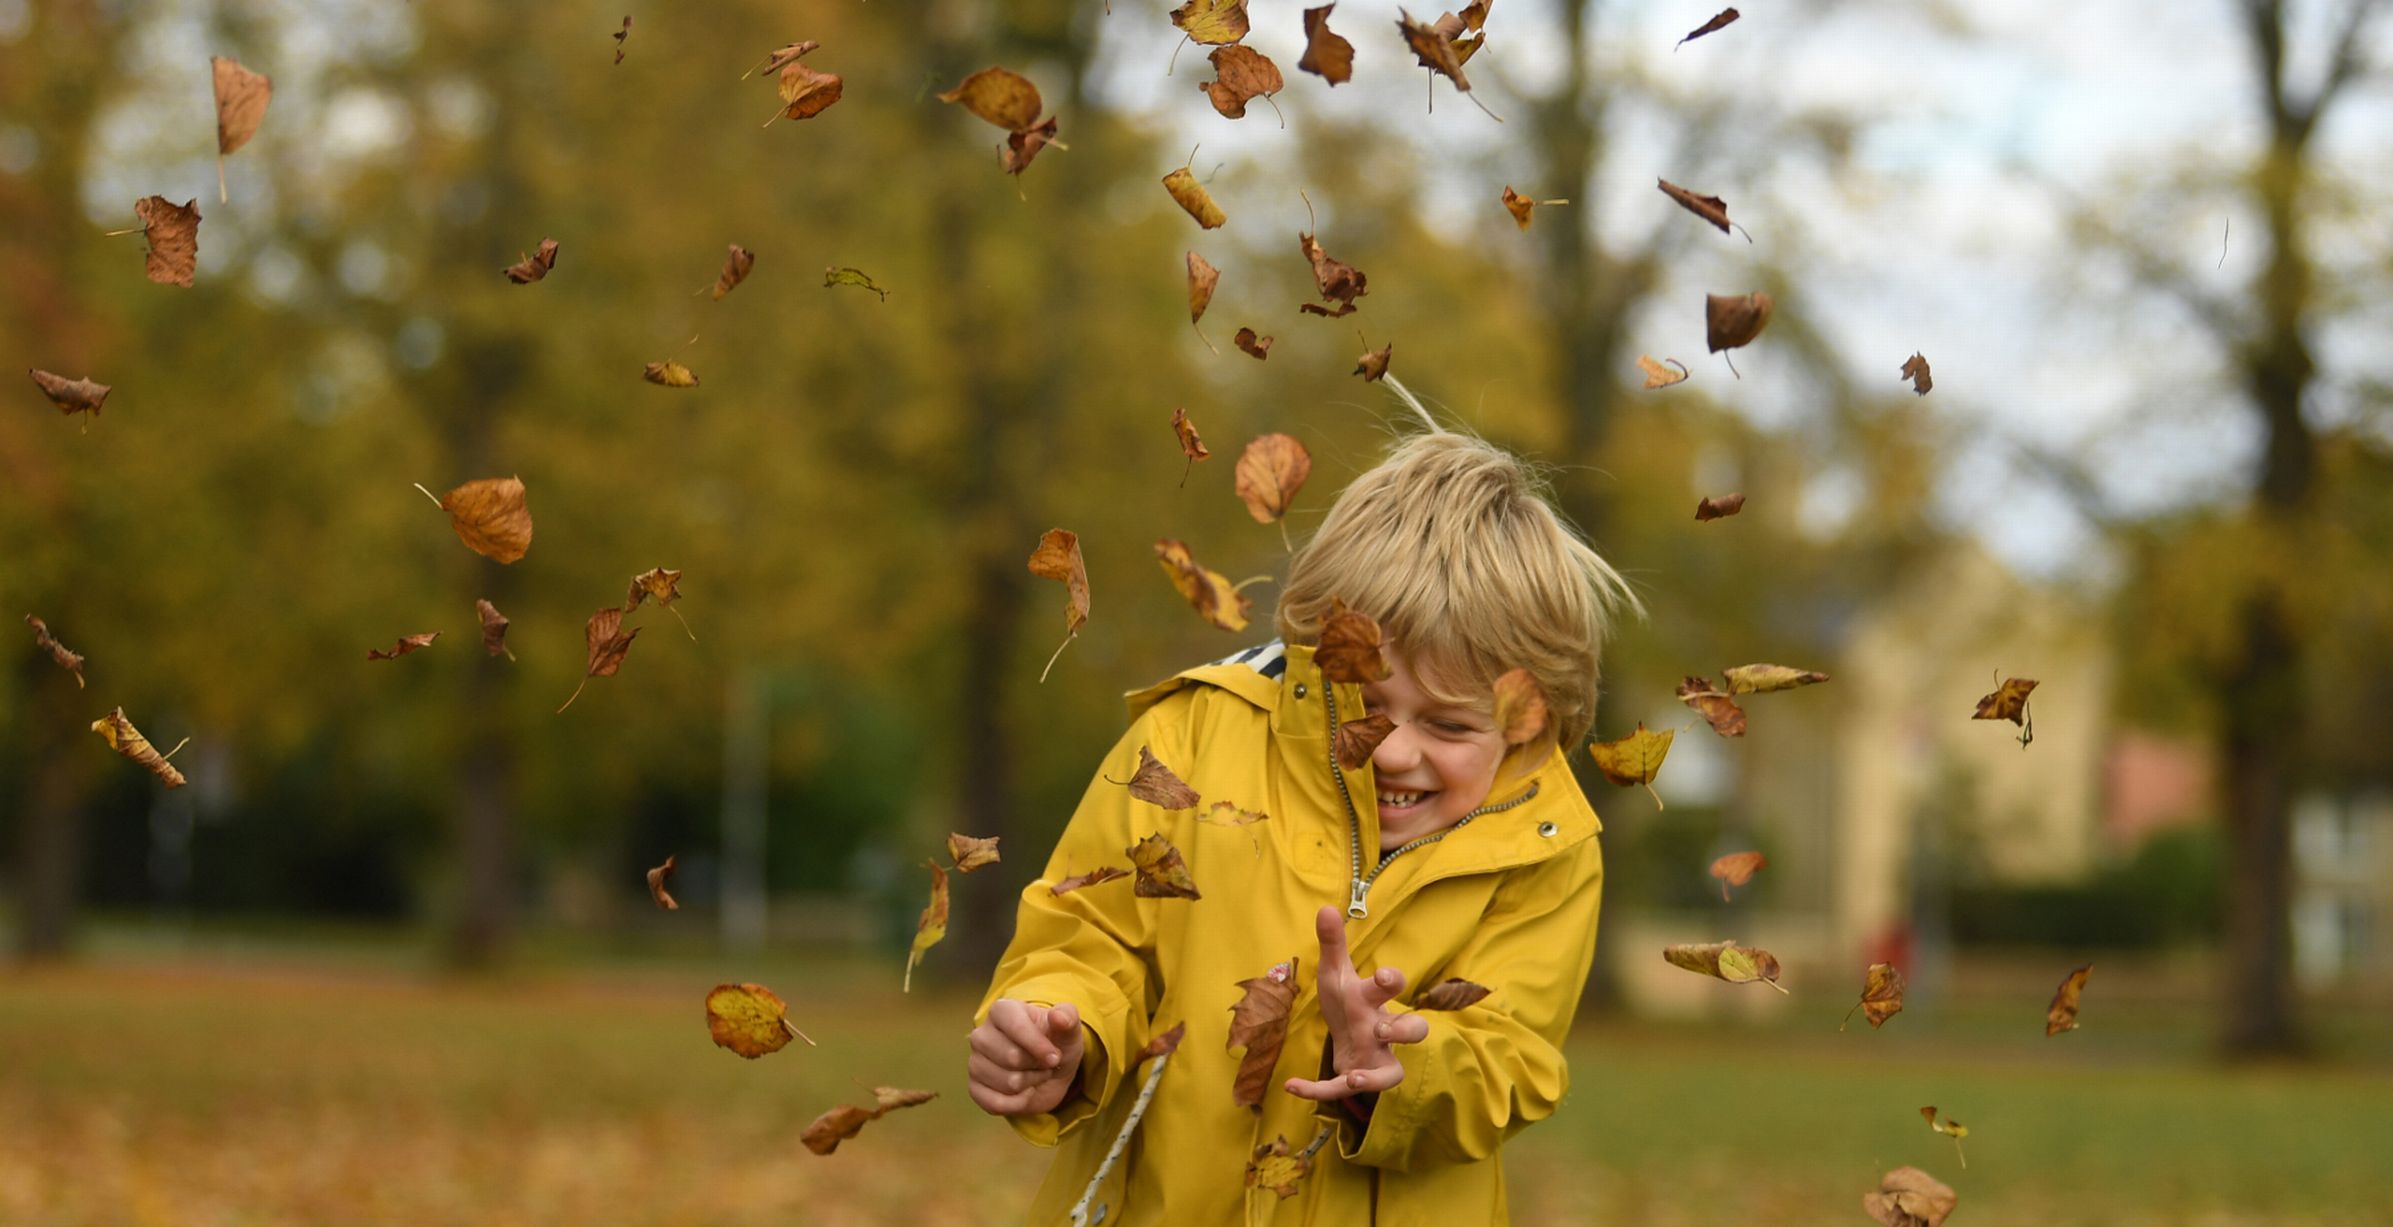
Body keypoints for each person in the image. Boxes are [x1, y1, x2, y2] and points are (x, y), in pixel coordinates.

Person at [968, 419, 1637, 1225]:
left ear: (1529, 719)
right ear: (1315, 648)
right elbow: (1088, 933)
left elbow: (1512, 1057)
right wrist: (1059, 1033)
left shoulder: (1546, 843)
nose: (1395, 753)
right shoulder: (1190, 740)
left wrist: (1401, 1066)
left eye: (1451, 727)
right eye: (1362, 702)